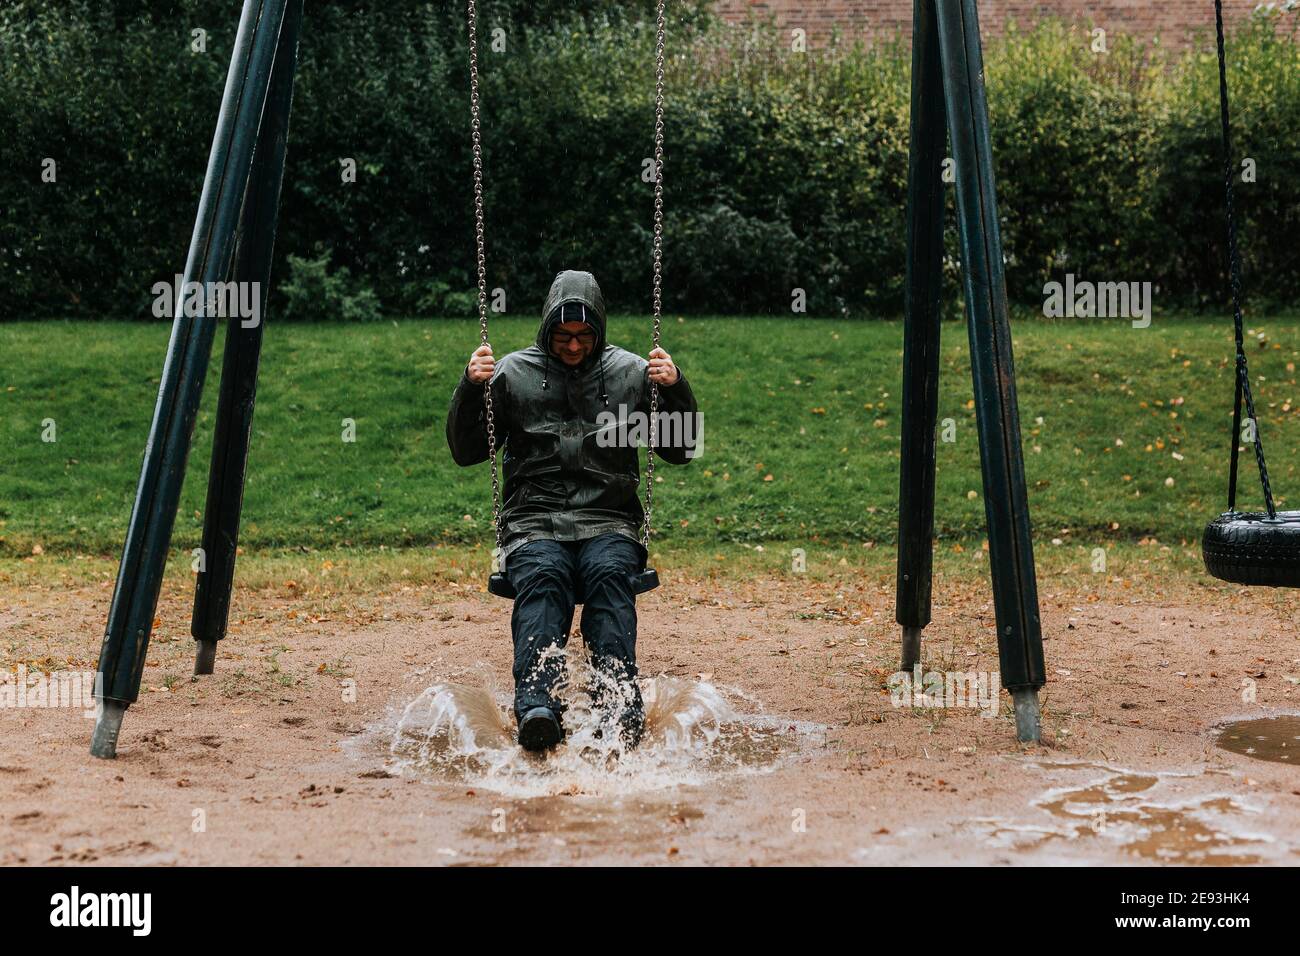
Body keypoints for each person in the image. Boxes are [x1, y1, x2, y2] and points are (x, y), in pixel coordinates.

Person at [447, 270, 699, 752]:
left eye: (584, 336)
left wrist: (676, 388)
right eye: (563, 336)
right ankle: (538, 705)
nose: (574, 346)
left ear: (598, 330)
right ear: (547, 329)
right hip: (533, 520)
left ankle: (617, 702)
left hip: (609, 519)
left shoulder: (630, 373)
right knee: (543, 577)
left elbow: (681, 448)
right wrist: (467, 388)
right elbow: (466, 450)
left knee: (607, 575)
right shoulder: (512, 373)